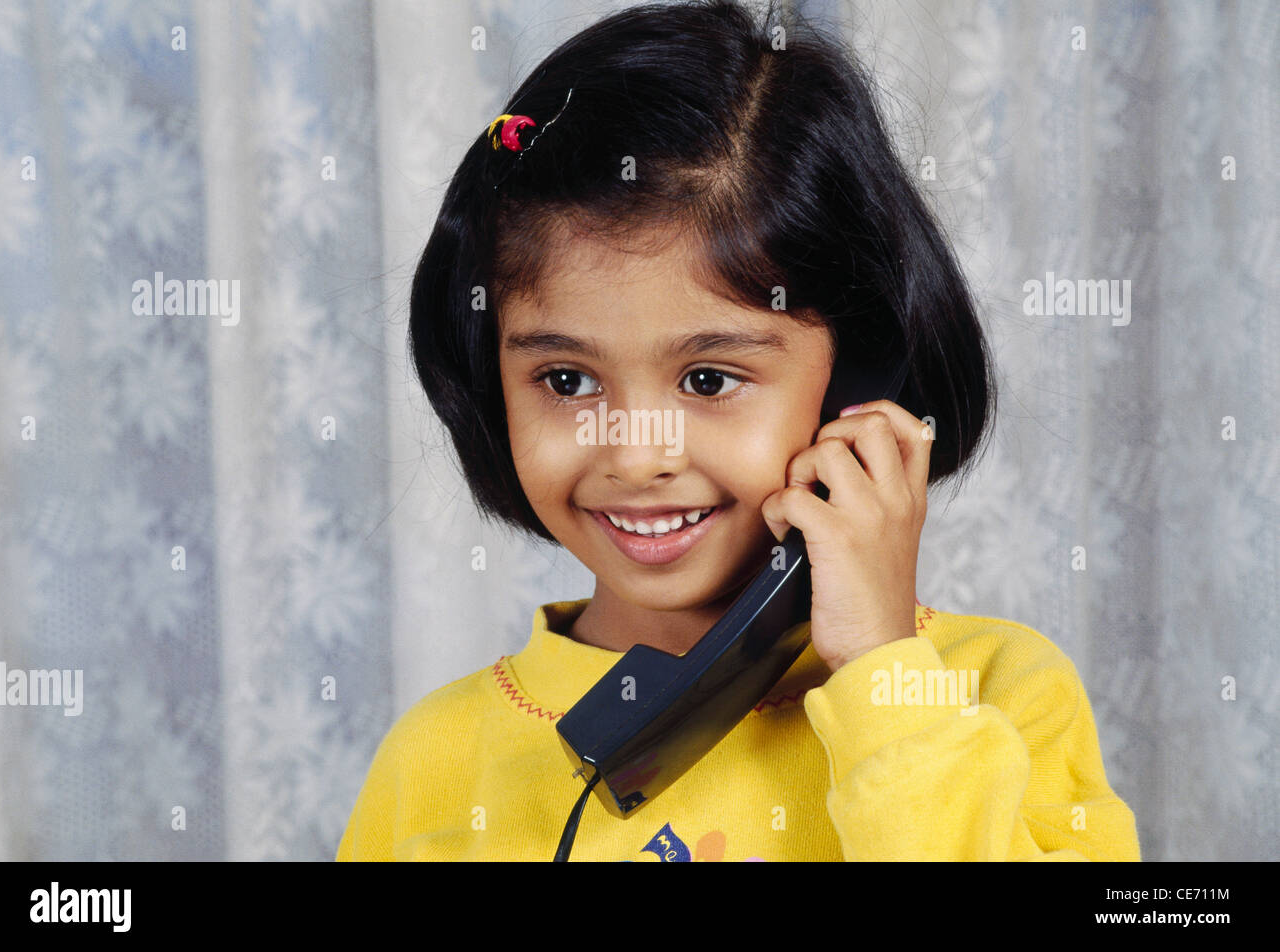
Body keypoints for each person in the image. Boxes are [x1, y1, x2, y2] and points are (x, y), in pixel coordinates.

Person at [337, 0, 1140, 861]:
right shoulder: (434, 761)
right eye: (567, 380)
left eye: (710, 379)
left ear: (858, 388)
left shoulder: (991, 693)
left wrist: (882, 674)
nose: (638, 454)